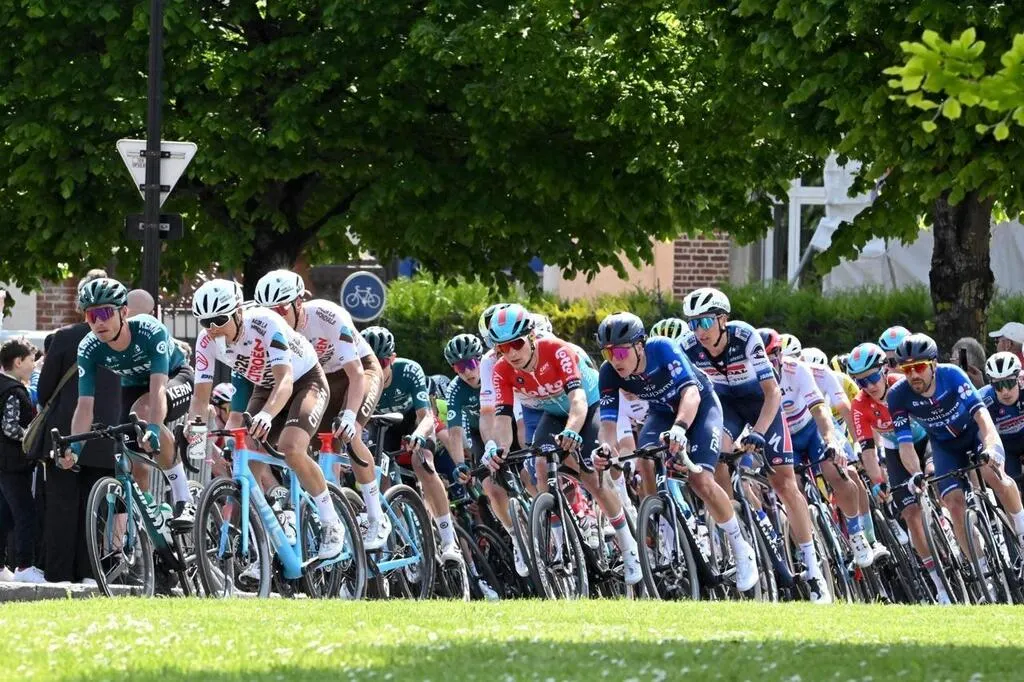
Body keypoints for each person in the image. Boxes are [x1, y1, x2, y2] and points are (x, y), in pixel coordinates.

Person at [679, 288, 831, 602]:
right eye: (693, 324)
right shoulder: (688, 347)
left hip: (761, 404)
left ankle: (812, 567)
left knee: (784, 482)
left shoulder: (745, 337)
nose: (700, 331)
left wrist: (759, 433)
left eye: (706, 322)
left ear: (723, 319)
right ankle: (740, 529)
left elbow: (773, 393)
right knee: (717, 459)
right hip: (726, 409)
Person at [592, 312, 758, 591]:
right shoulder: (609, 372)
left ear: (639, 345)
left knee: (700, 480)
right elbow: (607, 423)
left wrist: (681, 427)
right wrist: (605, 448)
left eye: (621, 351)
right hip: (661, 414)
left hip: (701, 407)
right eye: (608, 353)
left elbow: (691, 393)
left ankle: (741, 548)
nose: (615, 359)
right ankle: (663, 526)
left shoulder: (662, 349)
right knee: (644, 455)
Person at [481, 304, 642, 585]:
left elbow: (578, 401)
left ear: (531, 337)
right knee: (541, 466)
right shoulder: (501, 370)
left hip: (588, 407)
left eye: (516, 344)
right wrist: (498, 448)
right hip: (553, 413)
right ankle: (560, 548)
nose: (512, 354)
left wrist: (571, 432)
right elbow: (503, 418)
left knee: (592, 477)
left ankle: (629, 548)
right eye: (503, 348)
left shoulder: (557, 350)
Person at [185, 278, 345, 560]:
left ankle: (331, 521)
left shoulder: (264, 322)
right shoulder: (206, 341)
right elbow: (200, 397)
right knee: (245, 453)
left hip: (304, 380)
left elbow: (285, 380)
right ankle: (273, 537)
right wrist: (195, 432)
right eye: (204, 322)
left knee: (292, 447)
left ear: (237, 312)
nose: (212, 328)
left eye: (219, 319)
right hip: (265, 385)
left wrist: (268, 415)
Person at [252, 269, 384, 549]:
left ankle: (376, 515)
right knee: (303, 447)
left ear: (299, 302)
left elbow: (357, 374)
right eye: (268, 311)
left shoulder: (326, 315)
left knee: (351, 434)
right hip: (318, 381)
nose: (274, 316)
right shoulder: (268, 330)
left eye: (280, 308)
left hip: (357, 374)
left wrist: (349, 416)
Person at [56, 278, 197, 528]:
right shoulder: (88, 347)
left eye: (105, 312)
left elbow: (157, 391)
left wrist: (154, 428)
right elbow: (85, 406)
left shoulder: (149, 331)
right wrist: (75, 449)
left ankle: (183, 497)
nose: (98, 321)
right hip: (133, 386)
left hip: (173, 376)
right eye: (91, 315)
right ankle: (153, 525)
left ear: (123, 312)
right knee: (131, 455)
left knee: (143, 414)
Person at [887, 333, 1024, 563]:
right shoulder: (898, 395)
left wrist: (991, 447)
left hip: (973, 434)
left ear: (933, 364)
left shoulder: (952, 375)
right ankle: (982, 570)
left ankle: (1021, 533)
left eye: (919, 367)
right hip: (944, 446)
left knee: (995, 475)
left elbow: (983, 418)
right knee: (952, 502)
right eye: (906, 369)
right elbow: (905, 444)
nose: (913, 375)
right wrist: (916, 474)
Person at [761, 330, 875, 568]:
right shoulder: (755, 378)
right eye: (762, 359)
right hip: (784, 439)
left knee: (836, 474)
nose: (768, 364)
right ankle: (806, 546)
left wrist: (831, 439)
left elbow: (820, 409)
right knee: (791, 493)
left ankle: (855, 534)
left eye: (772, 357)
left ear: (780, 354)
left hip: (810, 431)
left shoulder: (797, 369)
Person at [37, 270, 121, 584]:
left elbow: (45, 390)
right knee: (94, 508)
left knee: (61, 504)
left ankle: (58, 574)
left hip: (66, 432)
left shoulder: (65, 337)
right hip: (105, 433)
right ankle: (88, 573)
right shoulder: (121, 339)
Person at [846, 341, 945, 601]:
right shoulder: (859, 405)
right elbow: (868, 450)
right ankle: (939, 585)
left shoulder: (903, 383)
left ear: (884, 370)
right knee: (910, 513)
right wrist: (879, 482)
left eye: (873, 377)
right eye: (861, 382)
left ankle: (947, 520)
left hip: (927, 439)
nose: (869, 386)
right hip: (895, 450)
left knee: (937, 475)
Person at [360, 326, 462, 563]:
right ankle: (398, 534)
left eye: (382, 362)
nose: (376, 369)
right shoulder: (357, 377)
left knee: (422, 462)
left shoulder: (408, 370)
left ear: (392, 359)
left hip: (412, 422)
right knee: (379, 476)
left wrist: (418, 435)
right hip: (382, 426)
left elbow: (426, 416)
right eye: (368, 363)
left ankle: (449, 540)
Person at [0, 338, 44, 582]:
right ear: (18, 362)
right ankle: (25, 567)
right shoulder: (14, 391)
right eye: (30, 361)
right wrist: (32, 437)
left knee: (4, 513)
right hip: (13, 463)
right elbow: (9, 427)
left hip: (3, 463)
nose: (34, 366)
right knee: (25, 513)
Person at [979, 352, 1024, 495]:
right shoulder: (983, 399)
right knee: (1010, 486)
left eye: (1009, 383)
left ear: (1018, 379)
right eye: (998, 386)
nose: (1005, 391)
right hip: (1004, 447)